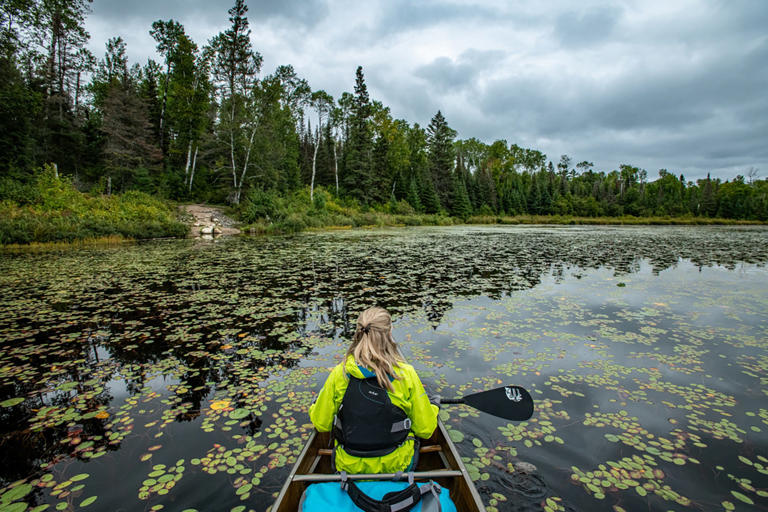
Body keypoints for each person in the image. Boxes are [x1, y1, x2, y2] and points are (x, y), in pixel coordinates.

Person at [309, 306, 439, 474]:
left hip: (348, 466)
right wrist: (433, 407)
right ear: (389, 334)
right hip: (397, 465)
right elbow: (425, 430)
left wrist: (315, 406)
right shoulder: (406, 374)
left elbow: (321, 424)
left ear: (358, 333)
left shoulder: (339, 374)